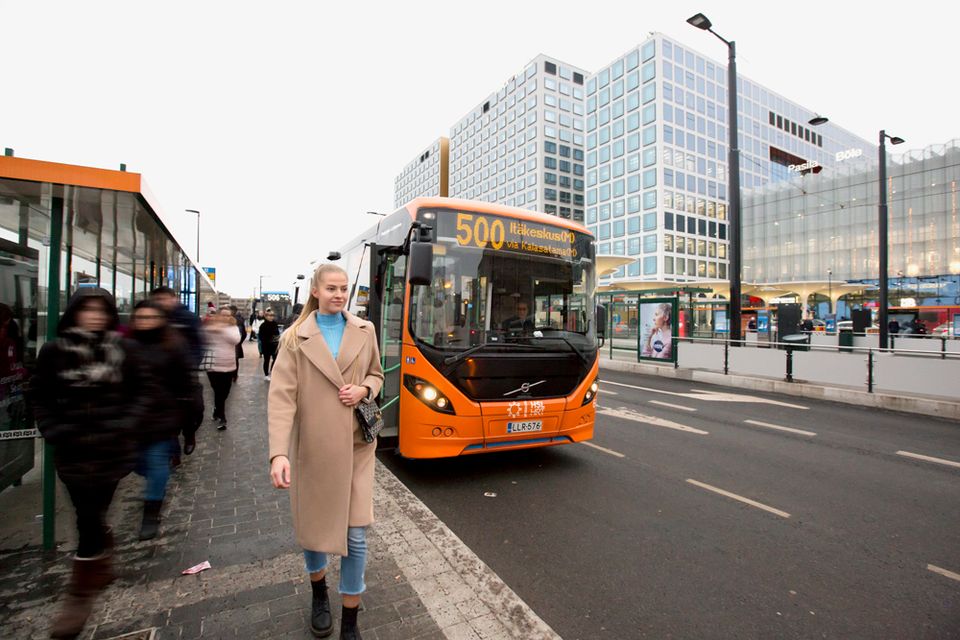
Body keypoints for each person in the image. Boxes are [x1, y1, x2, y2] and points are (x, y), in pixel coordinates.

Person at [268, 263, 384, 640]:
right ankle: (319, 593)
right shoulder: (294, 338)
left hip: (357, 447)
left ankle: (350, 620)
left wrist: (364, 390)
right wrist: (278, 453)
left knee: (356, 537)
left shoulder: (365, 330)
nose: (339, 294)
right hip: (313, 450)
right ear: (315, 291)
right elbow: (281, 398)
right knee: (314, 532)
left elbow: (377, 374)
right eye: (331, 288)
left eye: (344, 288)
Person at [29, 288, 145, 639]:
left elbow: (141, 394)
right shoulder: (55, 351)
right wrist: (52, 429)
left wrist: (124, 426)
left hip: (111, 449)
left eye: (100, 310)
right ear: (74, 313)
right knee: (87, 513)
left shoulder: (124, 349)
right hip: (73, 448)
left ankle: (85, 583)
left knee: (93, 512)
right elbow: (40, 395)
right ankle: (89, 578)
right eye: (87, 309)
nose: (94, 316)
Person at [130, 300, 198, 540]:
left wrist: (187, 421)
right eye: (141, 317)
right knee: (140, 464)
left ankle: (151, 514)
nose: (146, 322)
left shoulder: (173, 346)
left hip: (162, 418)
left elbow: (186, 384)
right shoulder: (126, 346)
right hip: (131, 420)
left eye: (151, 317)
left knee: (157, 465)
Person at [150, 286, 205, 457]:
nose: (161, 303)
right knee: (166, 411)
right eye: (157, 299)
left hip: (185, 374)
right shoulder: (154, 318)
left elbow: (199, 344)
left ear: (174, 298)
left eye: (164, 298)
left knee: (193, 408)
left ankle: (189, 434)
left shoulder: (188, 318)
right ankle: (172, 449)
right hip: (160, 375)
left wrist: (191, 365)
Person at [205, 307, 243, 430]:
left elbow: (236, 340)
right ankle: (222, 417)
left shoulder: (233, 328)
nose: (226, 317)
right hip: (213, 366)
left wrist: (222, 330)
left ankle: (217, 409)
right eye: (223, 315)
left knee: (225, 392)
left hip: (229, 365)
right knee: (218, 391)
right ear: (218, 315)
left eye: (228, 315)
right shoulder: (210, 327)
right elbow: (204, 339)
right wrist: (213, 329)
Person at [258, 308, 280, 380]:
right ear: (266, 316)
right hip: (266, 345)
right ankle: (266, 374)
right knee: (266, 360)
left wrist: (277, 339)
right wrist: (268, 340)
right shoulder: (263, 325)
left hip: (275, 345)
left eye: (273, 315)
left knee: (275, 359)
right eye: (270, 315)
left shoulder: (275, 324)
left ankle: (272, 372)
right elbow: (261, 336)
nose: (271, 317)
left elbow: (277, 333)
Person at [231, 305, 246, 382]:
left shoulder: (231, 320)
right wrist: (240, 342)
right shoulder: (240, 320)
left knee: (231, 359)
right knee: (235, 360)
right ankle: (235, 375)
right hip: (237, 343)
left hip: (232, 344)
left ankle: (232, 375)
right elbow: (244, 334)